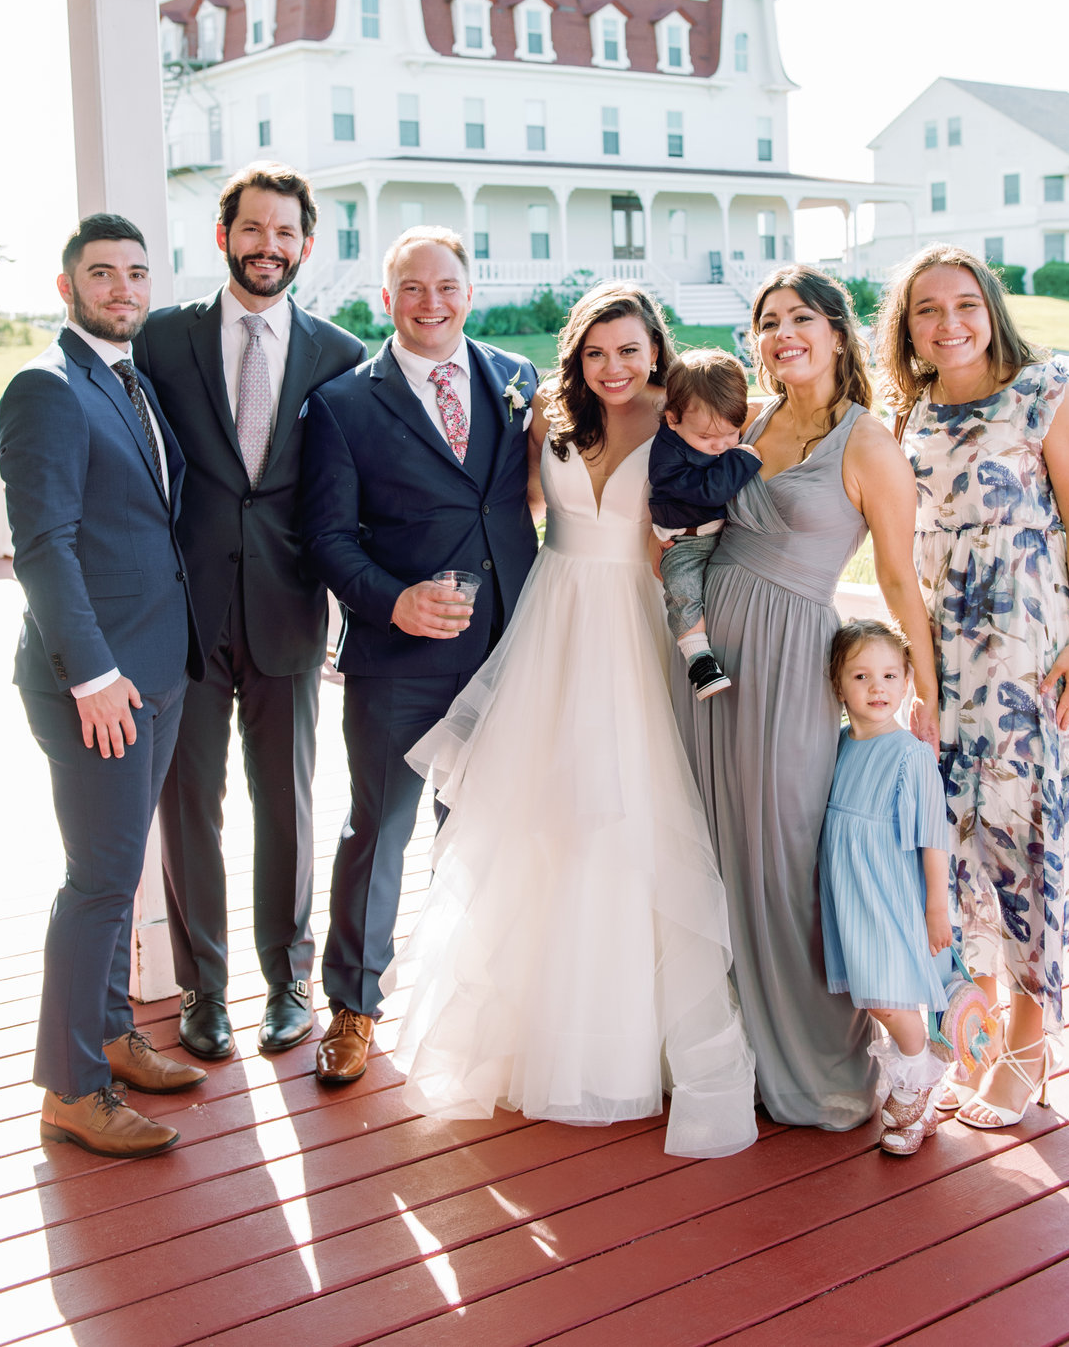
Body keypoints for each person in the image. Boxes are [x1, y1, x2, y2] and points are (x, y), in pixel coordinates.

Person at [383, 283, 758, 1160]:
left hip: (630, 625)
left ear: (655, 351)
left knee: (630, 816)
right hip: (551, 624)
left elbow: (721, 495)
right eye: (596, 353)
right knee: (540, 821)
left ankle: (633, 1042)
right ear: (576, 359)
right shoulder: (547, 410)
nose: (613, 367)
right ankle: (533, 1035)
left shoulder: (681, 414)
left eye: (628, 350)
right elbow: (509, 509)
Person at [673, 264, 939, 1132]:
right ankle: (735, 1047)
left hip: (791, 663)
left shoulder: (866, 444)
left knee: (787, 858)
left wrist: (920, 693)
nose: (781, 332)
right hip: (710, 662)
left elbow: (897, 579)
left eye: (798, 318)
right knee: (715, 848)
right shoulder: (747, 418)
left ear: (834, 330)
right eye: (766, 320)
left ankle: (820, 1058)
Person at [134, 163, 365, 1062]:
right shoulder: (160, 342)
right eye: (253, 229)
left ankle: (287, 983)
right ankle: (204, 987)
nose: (269, 246)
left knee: (288, 804)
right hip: (181, 617)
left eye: (286, 233)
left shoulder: (340, 357)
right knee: (189, 803)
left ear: (306, 245)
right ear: (223, 234)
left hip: (289, 610)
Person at [300, 227, 539, 1085]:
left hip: (505, 649)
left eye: (445, 286)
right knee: (380, 828)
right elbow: (324, 536)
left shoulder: (517, 380)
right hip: (396, 659)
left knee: (481, 830)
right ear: (386, 297)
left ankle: (473, 1002)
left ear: (469, 292)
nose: (430, 303)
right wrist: (392, 600)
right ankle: (353, 1011)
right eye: (412, 288)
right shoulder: (341, 405)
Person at [876, 244, 1069, 1130]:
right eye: (926, 310)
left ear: (990, 307)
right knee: (960, 840)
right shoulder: (911, 415)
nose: (949, 323)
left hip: (1030, 653)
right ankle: (972, 1034)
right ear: (908, 329)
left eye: (964, 303)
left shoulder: (1046, 391)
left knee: (1031, 834)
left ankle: (1030, 1040)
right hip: (945, 661)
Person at [0, 215, 206, 1158]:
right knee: (98, 882)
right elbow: (45, 548)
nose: (121, 289)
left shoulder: (129, 381)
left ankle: (114, 1036)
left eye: (134, 273)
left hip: (156, 668)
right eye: (101, 274)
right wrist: (94, 677)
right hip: (98, 686)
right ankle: (71, 1089)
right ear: (66, 284)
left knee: (120, 875)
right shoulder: (44, 389)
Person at [818, 619, 952, 1156]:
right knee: (873, 994)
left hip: (891, 896)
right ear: (838, 685)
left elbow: (932, 838)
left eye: (891, 675)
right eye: (862, 676)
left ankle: (917, 1081)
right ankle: (921, 1088)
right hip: (853, 895)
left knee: (890, 999)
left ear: (907, 683)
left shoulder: (911, 755)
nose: (878, 688)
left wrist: (936, 908)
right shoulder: (839, 744)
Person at [648, 348, 762, 699]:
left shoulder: (705, 423)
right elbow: (710, 491)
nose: (720, 446)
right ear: (672, 419)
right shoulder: (665, 455)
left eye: (732, 435)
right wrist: (742, 458)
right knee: (682, 591)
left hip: (725, 537)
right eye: (707, 439)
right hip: (684, 542)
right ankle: (699, 661)